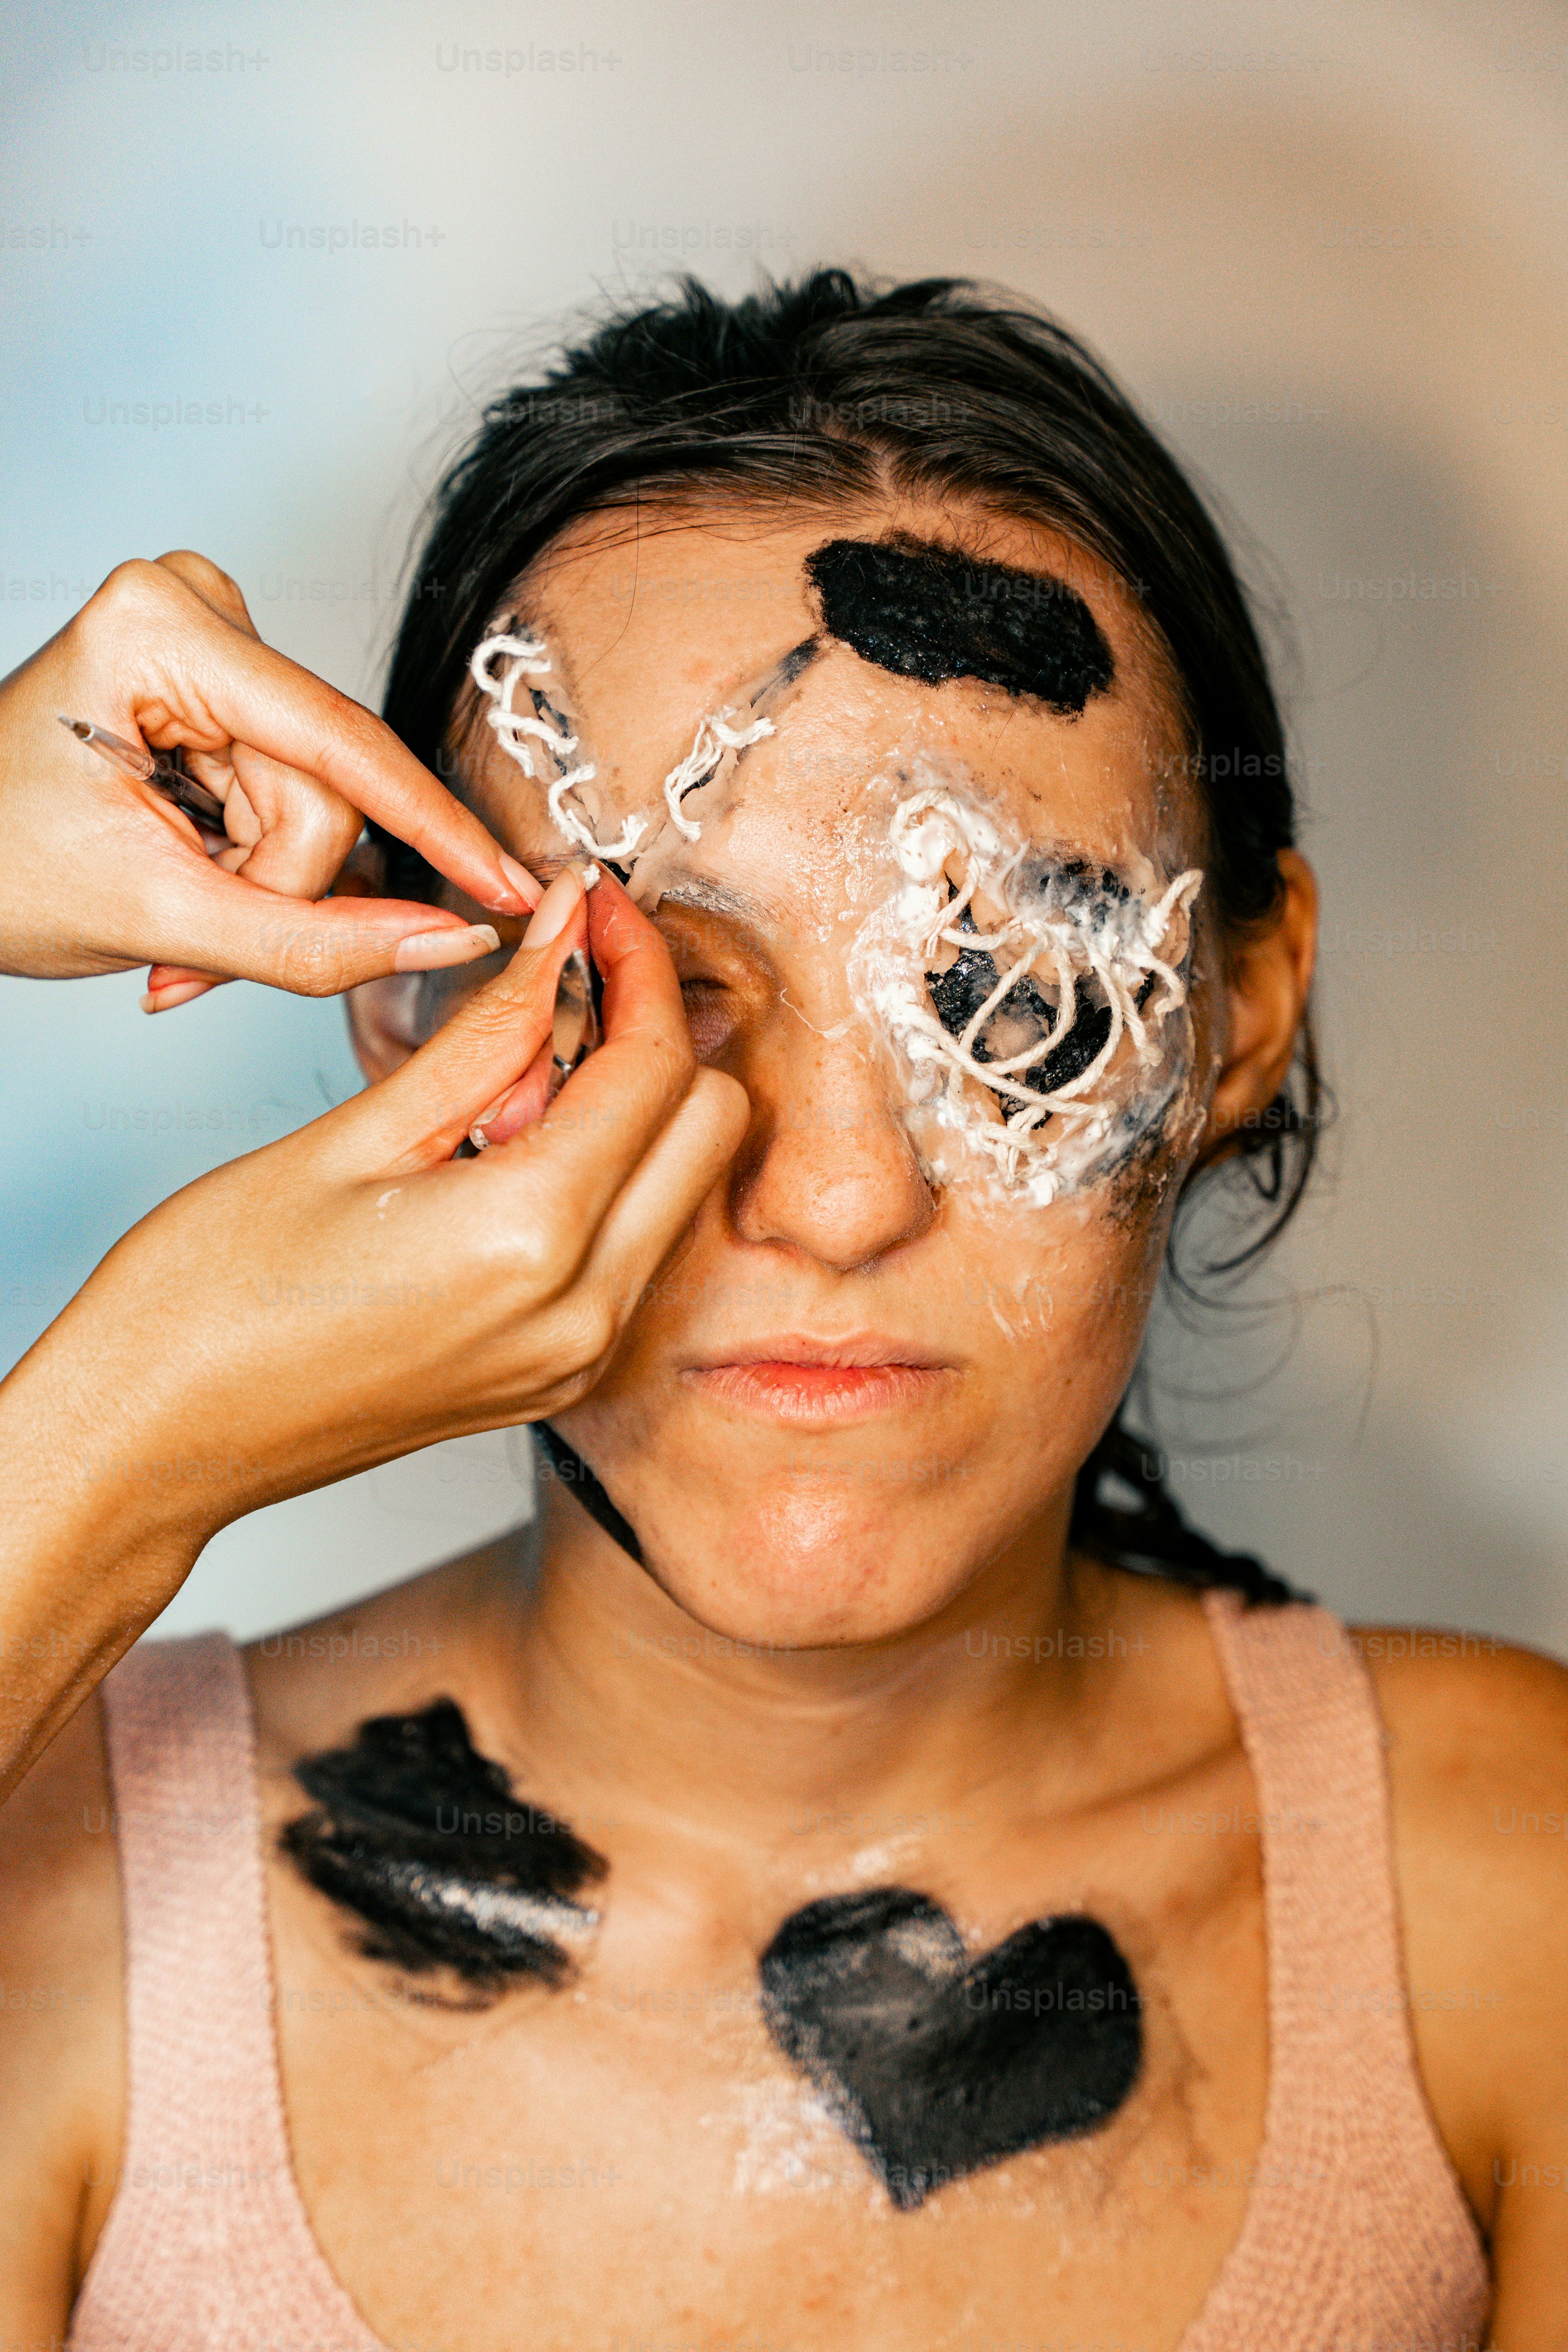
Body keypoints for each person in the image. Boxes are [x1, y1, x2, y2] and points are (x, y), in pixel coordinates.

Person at [0, 272, 1563, 2348]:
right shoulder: (58, 1913)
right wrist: (121, 1432)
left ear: (1244, 1018)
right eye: (660, 993)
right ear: (404, 1004)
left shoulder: (1509, 1896)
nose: (831, 1201)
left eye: (1016, 1002)